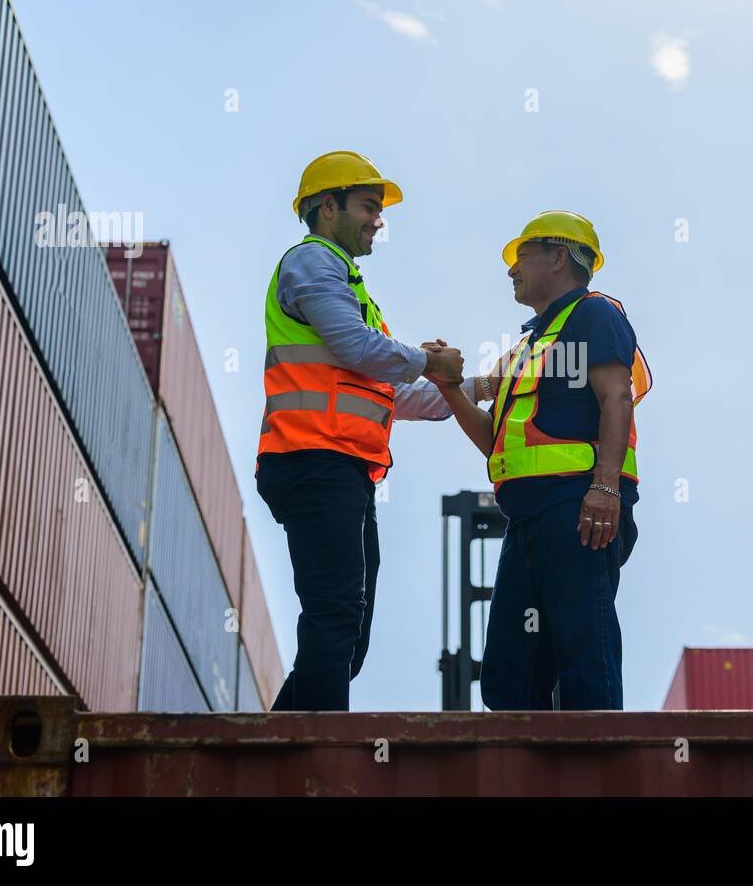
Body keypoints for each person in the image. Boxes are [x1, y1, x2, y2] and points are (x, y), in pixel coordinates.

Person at [255, 150, 490, 711]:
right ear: (327, 206)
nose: (378, 220)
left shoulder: (351, 290)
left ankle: (277, 746)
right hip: (312, 460)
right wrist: (430, 362)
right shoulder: (313, 262)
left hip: (341, 469)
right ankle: (315, 757)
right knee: (336, 614)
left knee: (347, 636)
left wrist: (476, 386)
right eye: (368, 206)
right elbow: (362, 350)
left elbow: (396, 393)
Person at [431, 210, 652, 710]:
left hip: (579, 508)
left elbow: (616, 397)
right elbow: (495, 440)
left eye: (521, 256)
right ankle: (524, 781)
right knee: (510, 675)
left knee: (584, 653)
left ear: (558, 257)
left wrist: (606, 487)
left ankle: (595, 774)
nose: (511, 269)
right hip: (527, 519)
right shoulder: (528, 347)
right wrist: (448, 389)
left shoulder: (596, 314)